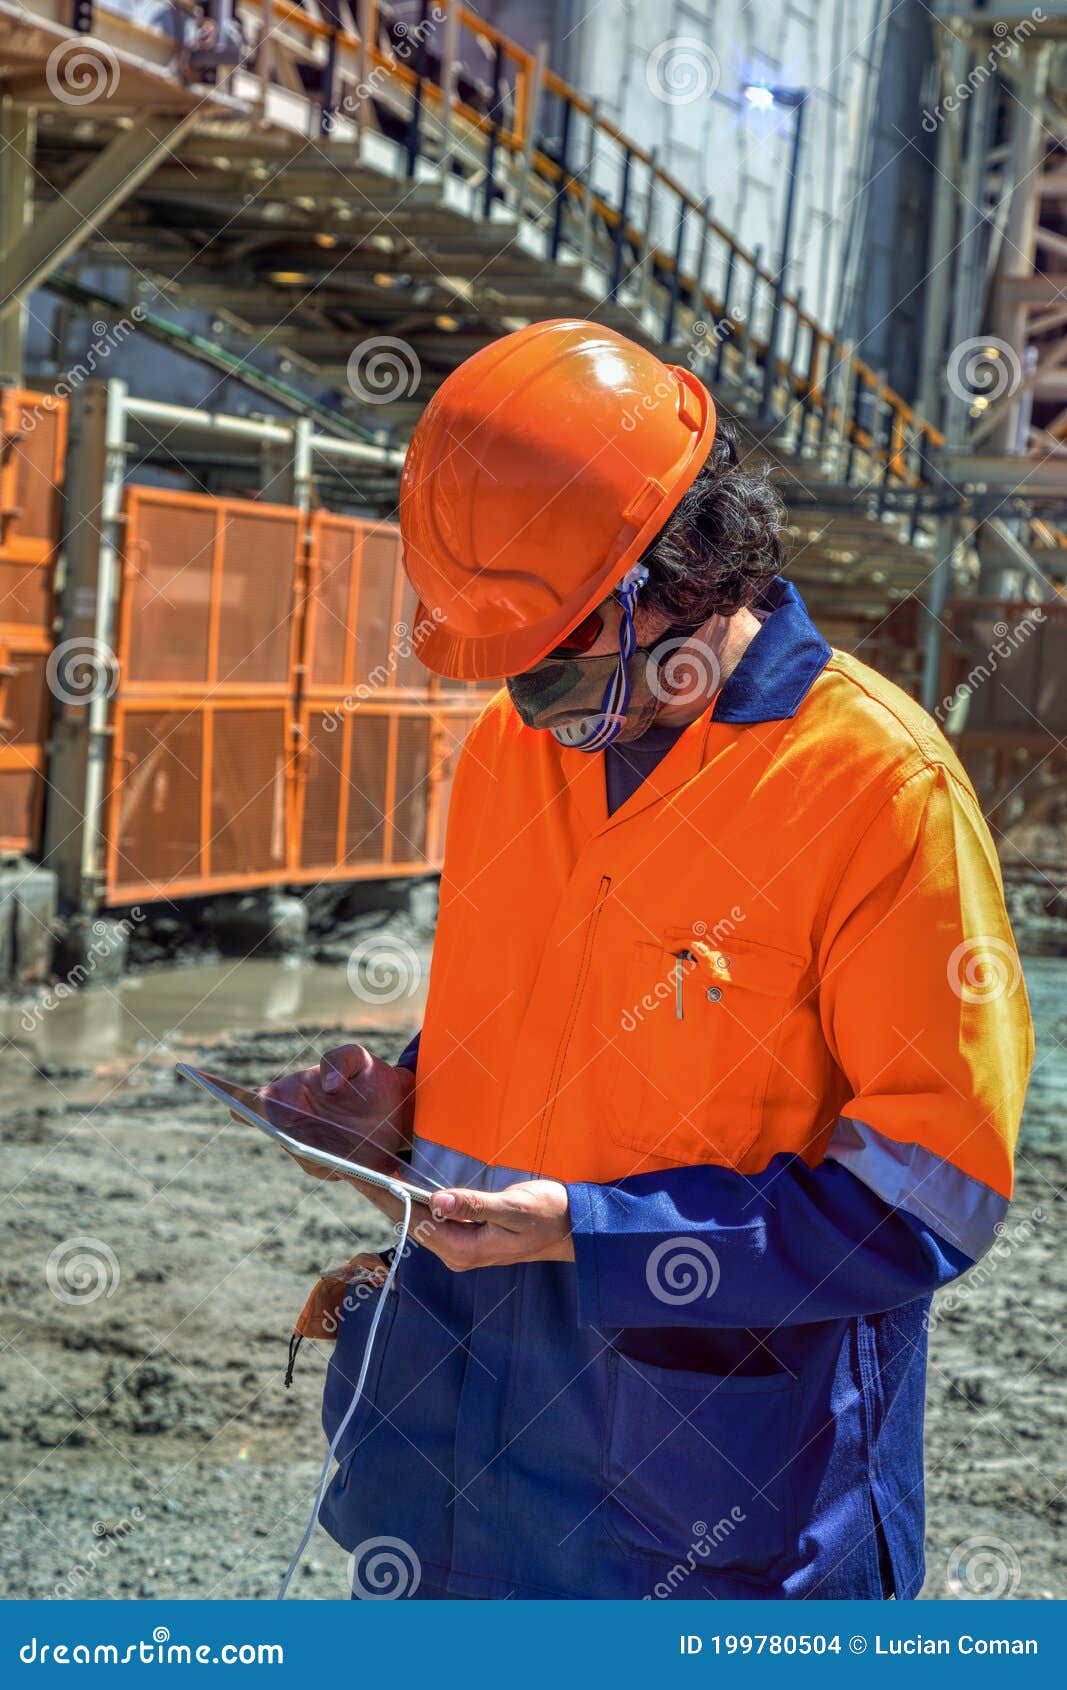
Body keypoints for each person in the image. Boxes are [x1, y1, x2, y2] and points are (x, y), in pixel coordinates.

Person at [265, 319, 1033, 1600]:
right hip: (458, 1469)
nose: (526, 702)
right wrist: (398, 1115)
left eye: (551, 657)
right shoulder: (514, 755)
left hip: (708, 1497)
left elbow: (931, 1192)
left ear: (680, 572)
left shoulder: (875, 790)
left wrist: (599, 1235)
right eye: (506, 668)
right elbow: (543, 1035)